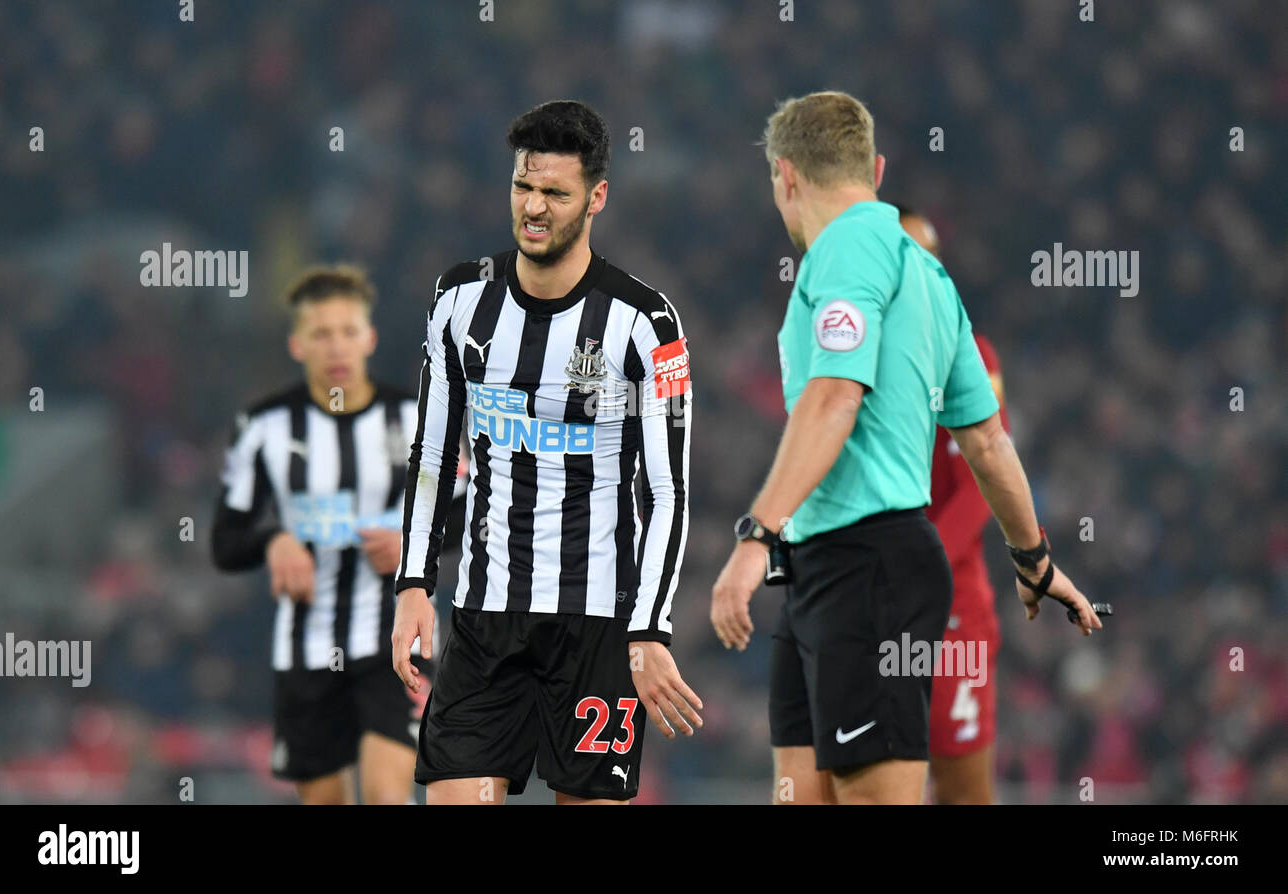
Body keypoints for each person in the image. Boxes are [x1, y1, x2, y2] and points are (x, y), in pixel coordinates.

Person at [709, 91, 1100, 806]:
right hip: (824, 569)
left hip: (867, 569)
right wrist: (1033, 558)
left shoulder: (845, 246)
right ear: (877, 169)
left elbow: (836, 396)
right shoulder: (930, 276)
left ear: (785, 175)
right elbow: (986, 440)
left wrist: (755, 535)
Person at [391, 100, 702, 805]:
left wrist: (650, 627)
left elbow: (667, 490)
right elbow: (432, 453)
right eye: (523, 186)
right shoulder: (458, 300)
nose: (533, 207)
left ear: (596, 197)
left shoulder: (647, 323)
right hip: (484, 620)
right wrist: (413, 584)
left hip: (597, 628)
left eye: (555, 193)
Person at [211, 264, 432, 804]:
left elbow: (470, 511)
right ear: (297, 344)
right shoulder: (263, 427)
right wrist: (273, 540)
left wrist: (413, 543)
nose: (336, 347)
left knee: (385, 798)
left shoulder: (413, 418)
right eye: (321, 333)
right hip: (305, 647)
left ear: (369, 338)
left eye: (348, 331)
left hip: (394, 640)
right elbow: (225, 540)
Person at [897, 204, 1007, 805]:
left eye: (931, 261)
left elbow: (981, 488)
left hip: (949, 608)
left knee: (961, 789)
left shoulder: (970, 355)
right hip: (864, 605)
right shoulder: (842, 359)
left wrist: (914, 563)